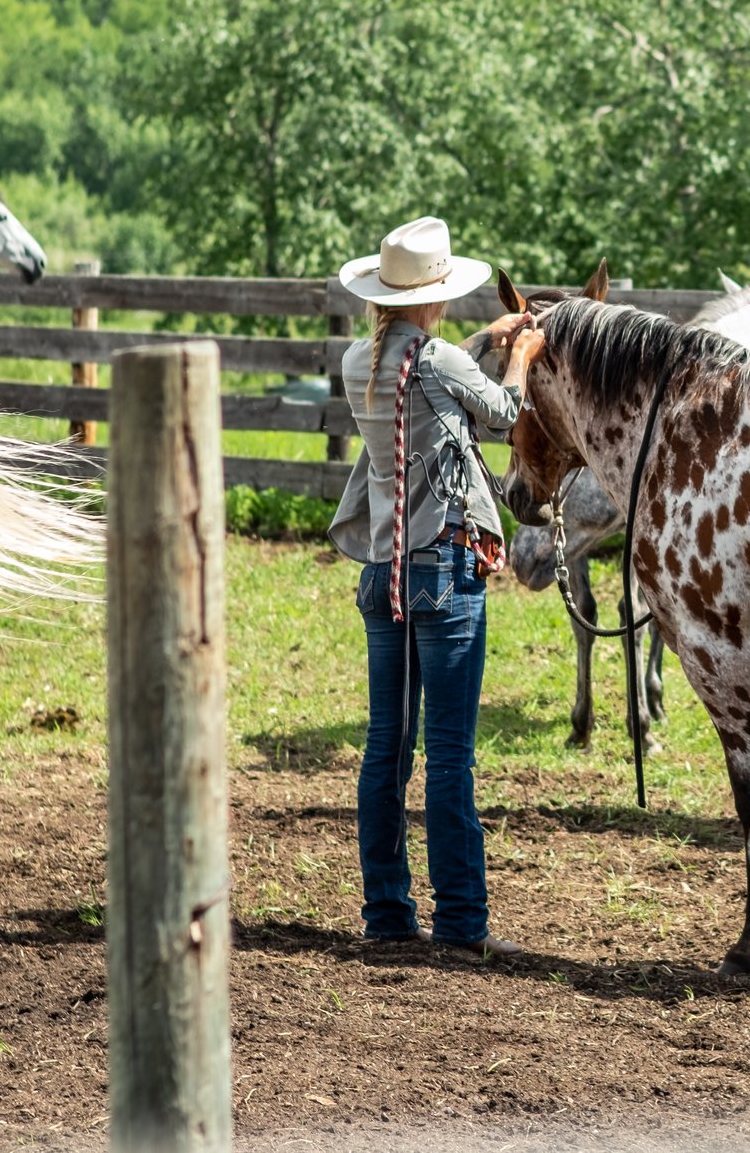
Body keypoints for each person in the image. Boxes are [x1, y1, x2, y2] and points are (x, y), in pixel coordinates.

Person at [329, 217, 536, 961]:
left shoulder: (361, 360)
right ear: (438, 298)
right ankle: (460, 920)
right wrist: (524, 355)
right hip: (445, 567)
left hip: (384, 565)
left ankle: (387, 909)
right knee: (451, 752)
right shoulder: (443, 357)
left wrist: (493, 340)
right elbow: (506, 414)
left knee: (388, 744)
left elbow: (440, 394)